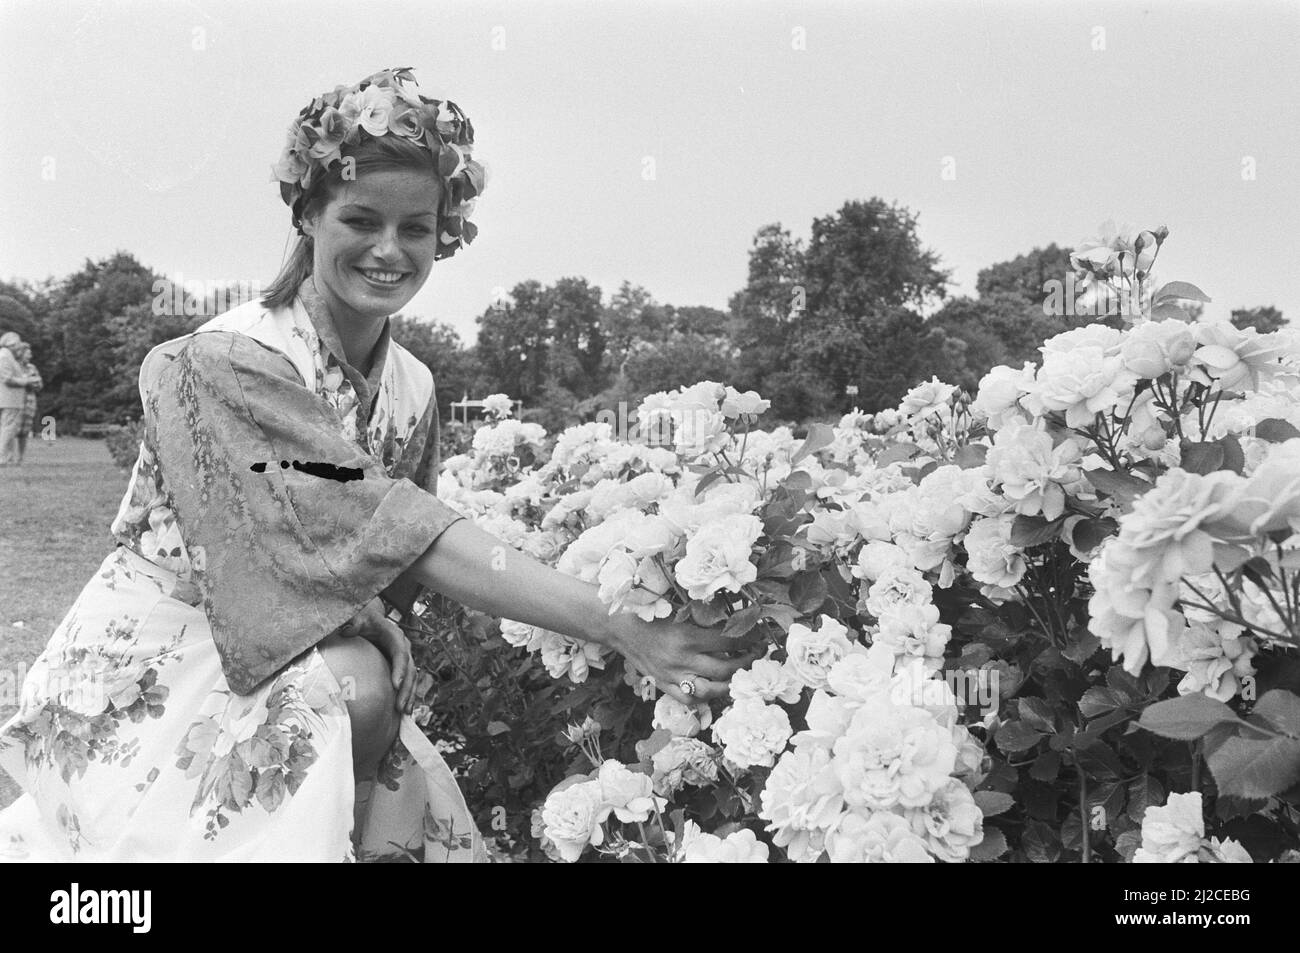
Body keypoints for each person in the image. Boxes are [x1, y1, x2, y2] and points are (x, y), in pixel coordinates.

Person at [0, 68, 750, 862]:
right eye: (360, 218)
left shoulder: (413, 385)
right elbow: (383, 521)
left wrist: (374, 618)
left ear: (443, 234)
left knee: (367, 705)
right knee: (350, 697)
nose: (389, 251)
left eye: (416, 228)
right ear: (307, 213)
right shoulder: (220, 360)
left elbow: (376, 563)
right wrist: (610, 621)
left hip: (307, 649)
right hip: (172, 647)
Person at [0, 332, 40, 466]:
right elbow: (7, 379)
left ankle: (8, 458)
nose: (18, 347)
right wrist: (27, 381)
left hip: (13, 399)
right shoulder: (4, 356)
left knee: (9, 429)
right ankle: (2, 458)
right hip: (9, 399)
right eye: (17, 343)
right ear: (11, 343)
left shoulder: (8, 356)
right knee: (7, 429)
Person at [14, 341, 41, 463]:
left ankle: (20, 457)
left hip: (29, 403)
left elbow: (39, 384)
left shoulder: (32, 368)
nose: (30, 355)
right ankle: (7, 456)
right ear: (20, 353)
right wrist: (27, 381)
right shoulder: (13, 367)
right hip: (14, 402)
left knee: (24, 432)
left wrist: (29, 382)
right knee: (11, 430)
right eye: (28, 353)